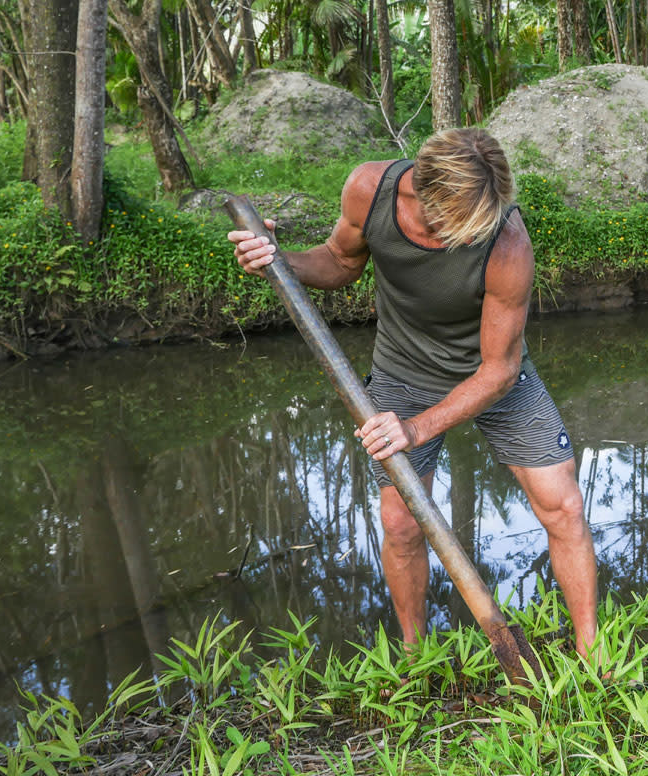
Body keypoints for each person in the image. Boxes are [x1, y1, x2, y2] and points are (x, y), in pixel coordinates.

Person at [227, 128, 599, 660]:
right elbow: (339, 262)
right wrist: (278, 259)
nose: (475, 236)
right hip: (403, 372)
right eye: (463, 226)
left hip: (493, 374)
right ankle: (414, 653)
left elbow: (499, 370)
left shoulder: (507, 241)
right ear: (424, 195)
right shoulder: (369, 190)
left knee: (564, 505)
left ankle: (593, 655)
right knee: (401, 522)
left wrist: (418, 427)